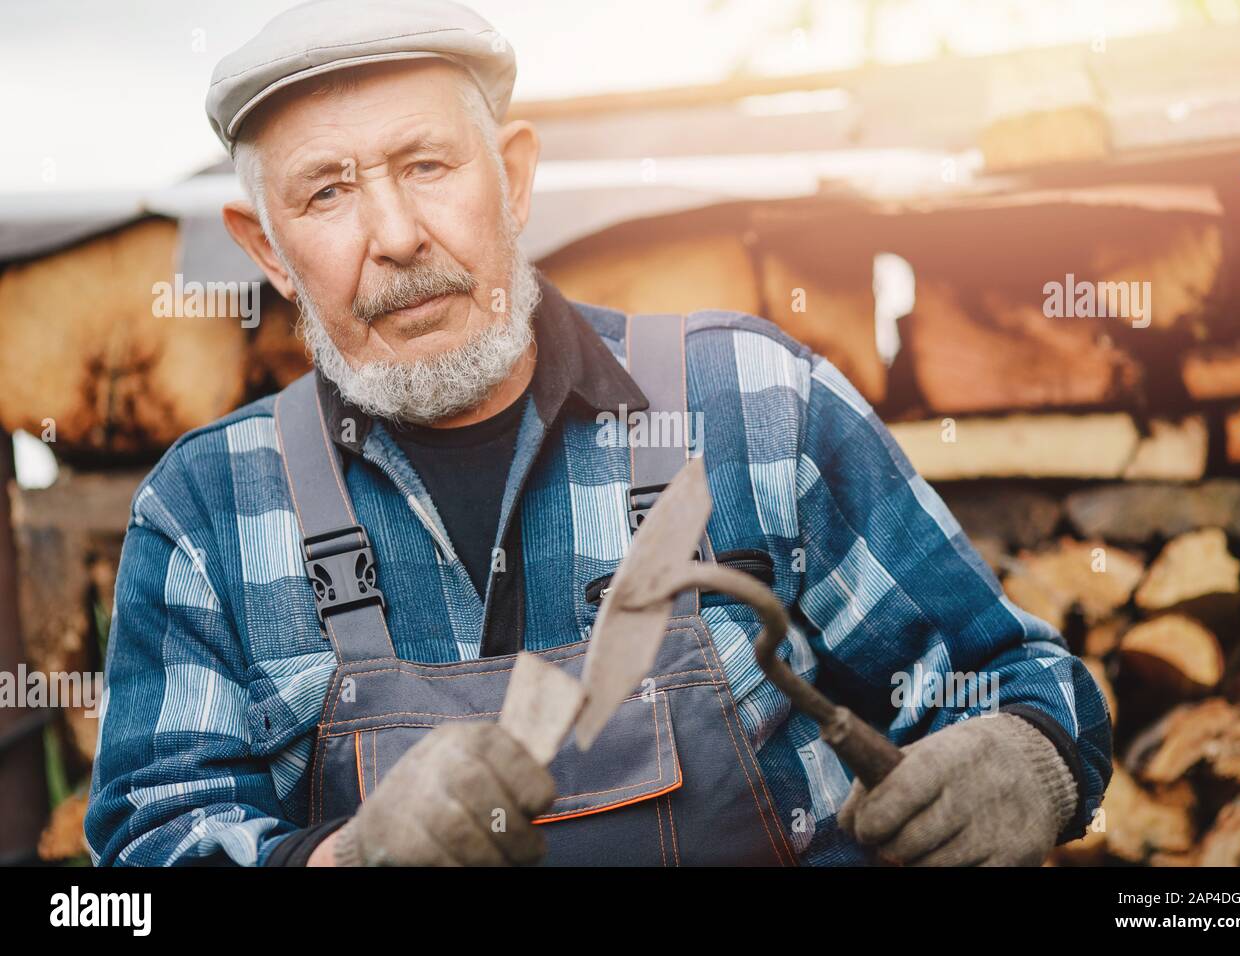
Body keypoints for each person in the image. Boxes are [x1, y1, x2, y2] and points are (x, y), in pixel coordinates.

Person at [85, 0, 1111, 867]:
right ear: (266, 246)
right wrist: (340, 859)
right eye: (328, 191)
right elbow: (139, 855)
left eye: (427, 164)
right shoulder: (208, 512)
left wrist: (1033, 755)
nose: (395, 237)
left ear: (515, 177)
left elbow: (1021, 679)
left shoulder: (750, 400)